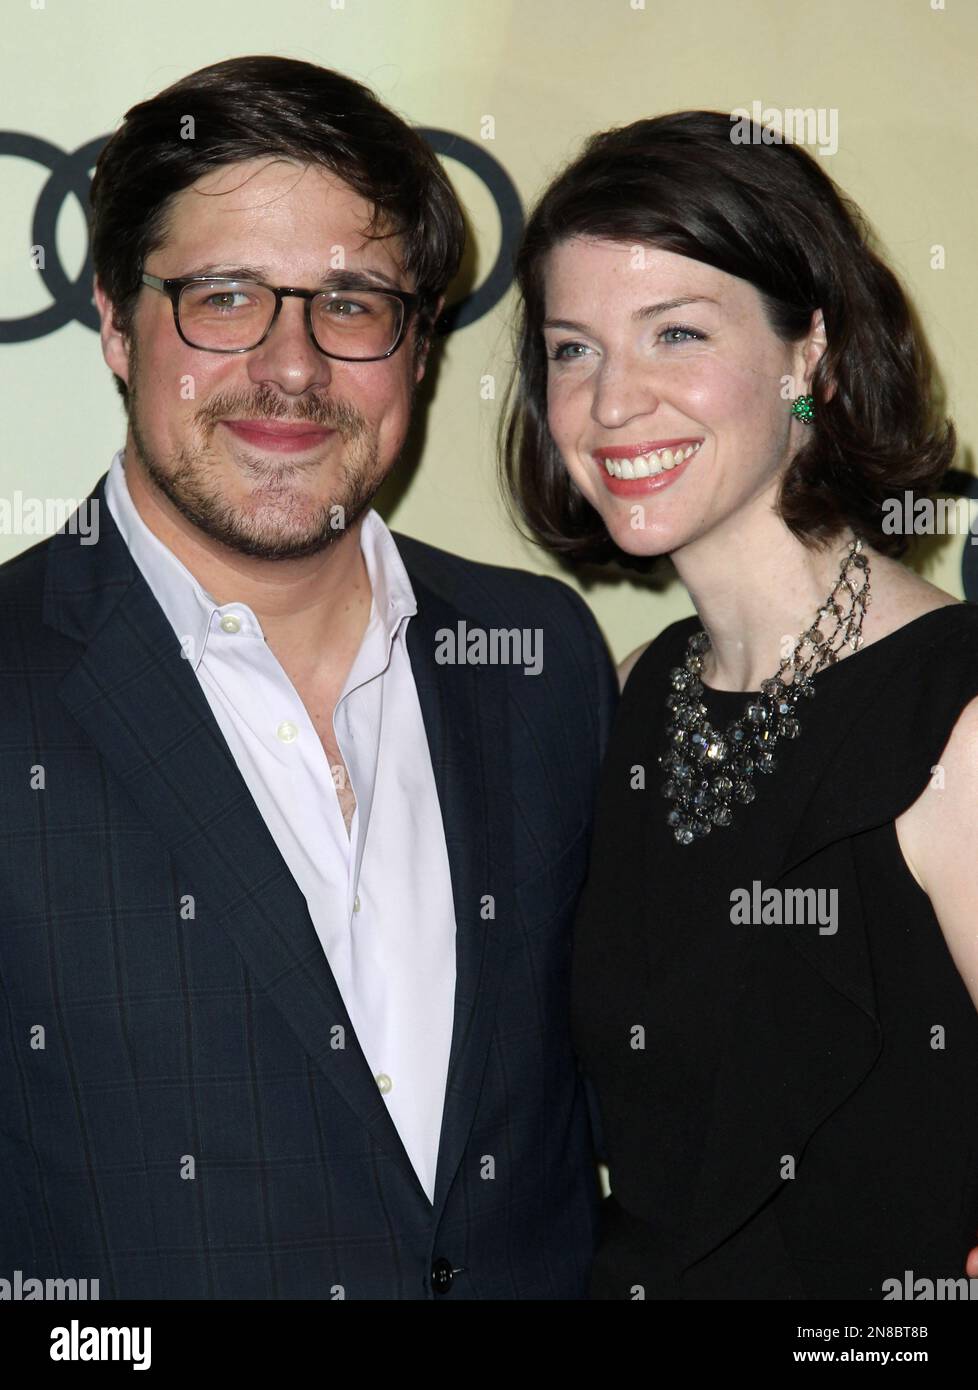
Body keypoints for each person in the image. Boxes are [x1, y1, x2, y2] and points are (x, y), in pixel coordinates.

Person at [0, 55, 618, 1300]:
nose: (291, 368)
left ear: (420, 348)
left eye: (351, 302)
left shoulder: (541, 658)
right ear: (117, 325)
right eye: (223, 297)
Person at [501, 109, 978, 1299]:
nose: (613, 404)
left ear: (805, 352)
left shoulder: (957, 720)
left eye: (676, 332)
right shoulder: (633, 693)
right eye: (573, 348)